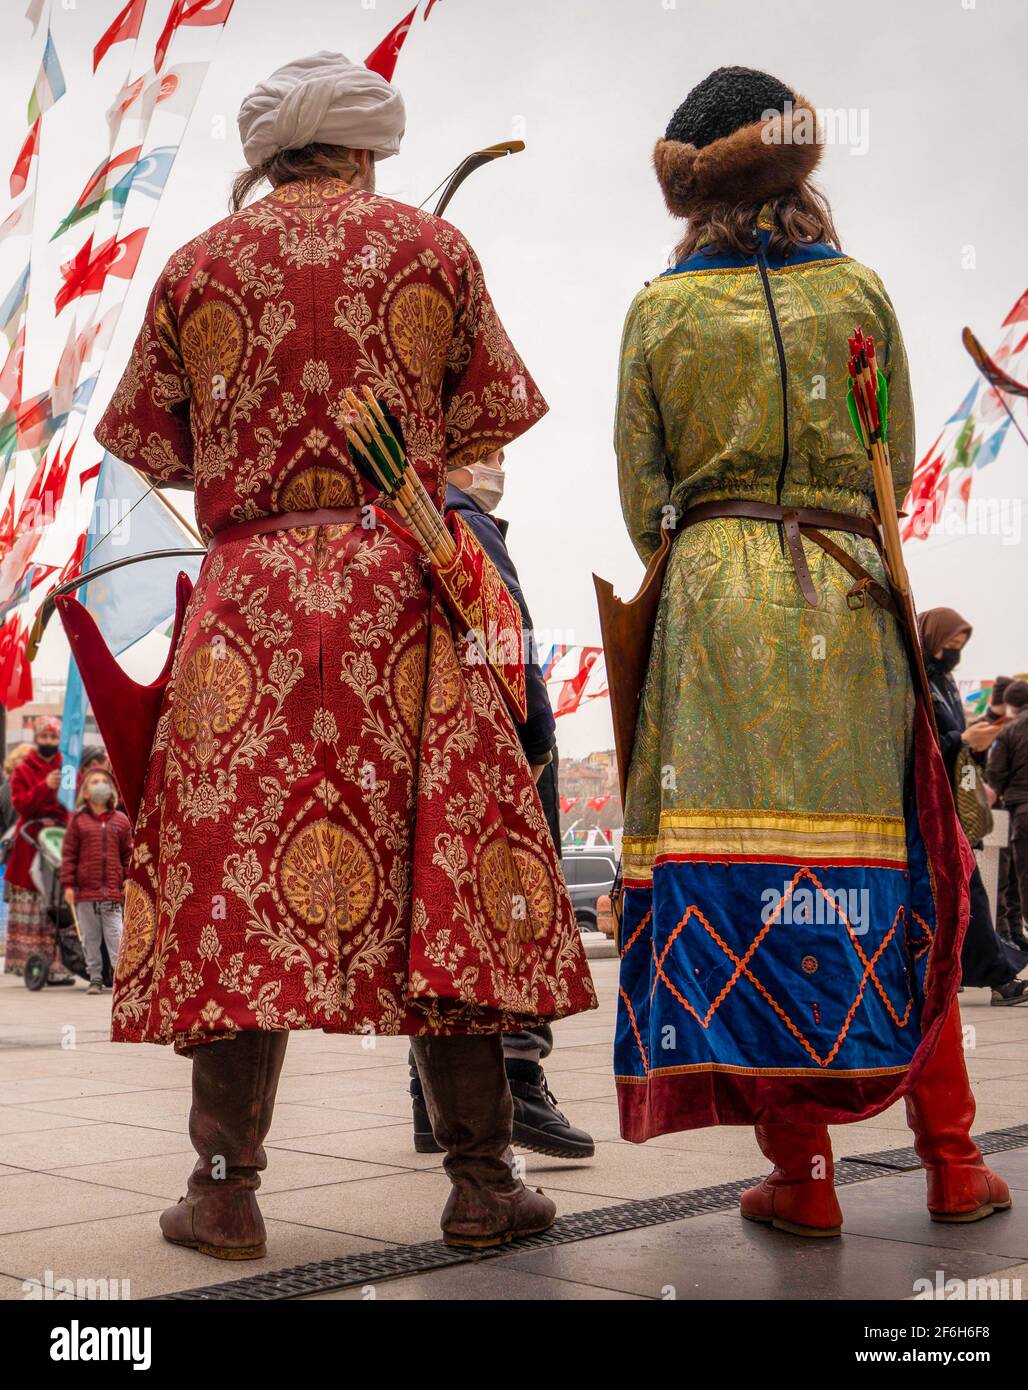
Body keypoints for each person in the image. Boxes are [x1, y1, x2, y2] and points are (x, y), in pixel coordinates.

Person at [90, 51, 596, 1260]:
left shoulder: (195, 264)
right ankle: (481, 1185)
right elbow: (482, 423)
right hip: (399, 592)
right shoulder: (433, 248)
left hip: (247, 604)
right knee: (447, 873)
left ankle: (223, 1192)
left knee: (231, 896)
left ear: (268, 154)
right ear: (367, 147)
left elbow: (152, 445)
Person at [611, 65, 1009, 1237]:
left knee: (743, 892)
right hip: (848, 599)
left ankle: (803, 1178)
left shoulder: (658, 311)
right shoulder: (861, 293)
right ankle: (953, 1160)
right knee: (897, 869)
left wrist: (709, 543)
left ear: (690, 197)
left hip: (715, 610)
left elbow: (644, 500)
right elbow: (889, 453)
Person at [408, 450, 596, 1160]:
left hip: (436, 749)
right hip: (494, 746)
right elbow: (509, 636)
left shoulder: (401, 523)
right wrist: (539, 735)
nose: (498, 465)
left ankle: (431, 1107)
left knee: (445, 922)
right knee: (511, 916)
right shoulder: (467, 523)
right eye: (485, 453)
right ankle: (518, 1078)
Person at [920, 609, 1028, 1004]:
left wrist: (971, 739)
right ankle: (996, 979)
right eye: (949, 645)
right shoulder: (916, 680)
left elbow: (949, 738)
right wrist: (963, 739)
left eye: (960, 647)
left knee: (968, 891)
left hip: (949, 803)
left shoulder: (944, 683)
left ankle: (994, 977)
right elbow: (919, 743)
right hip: (925, 806)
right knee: (963, 891)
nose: (954, 653)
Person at [2, 718, 70, 981]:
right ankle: (25, 962)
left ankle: (58, 963)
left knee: (55, 903)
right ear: (36, 738)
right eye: (45, 737)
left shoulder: (67, 767)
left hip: (58, 843)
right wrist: (44, 787)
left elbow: (71, 803)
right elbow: (20, 804)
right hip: (29, 846)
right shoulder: (23, 770)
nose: (49, 743)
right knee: (32, 902)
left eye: (54, 738)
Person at [60, 767, 131, 995]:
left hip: (111, 893)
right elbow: (69, 855)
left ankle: (120, 976)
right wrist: (69, 885)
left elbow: (128, 854)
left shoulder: (121, 821)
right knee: (90, 937)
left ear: (111, 790)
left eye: (104, 781)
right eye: (94, 782)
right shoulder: (78, 821)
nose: (100, 785)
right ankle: (95, 977)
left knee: (116, 935)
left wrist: (128, 879)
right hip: (85, 893)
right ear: (86, 792)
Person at [985, 680, 1028, 957]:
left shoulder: (1008, 732)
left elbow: (994, 780)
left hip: (1026, 812)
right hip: (1026, 805)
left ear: (1012, 706)